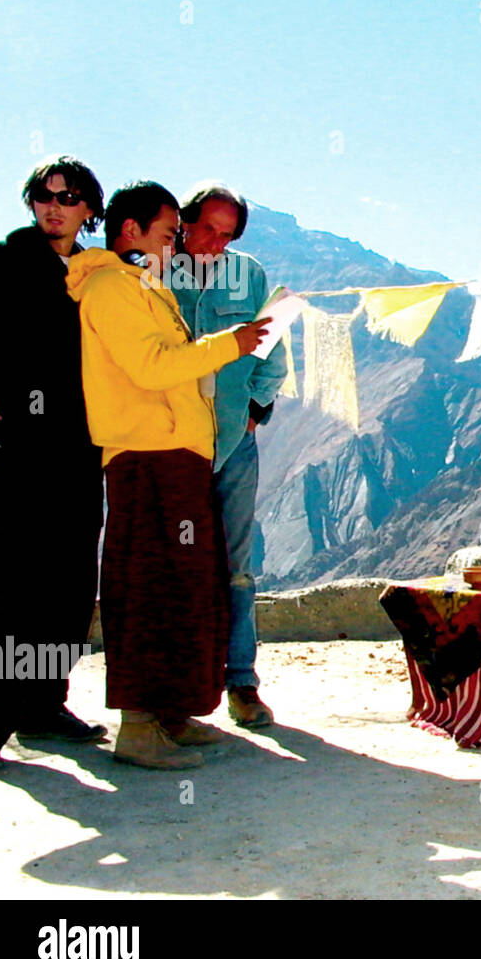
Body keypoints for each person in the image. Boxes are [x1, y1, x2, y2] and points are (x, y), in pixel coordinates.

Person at [65, 181, 270, 769]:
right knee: (148, 584)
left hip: (177, 452)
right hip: (143, 454)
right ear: (130, 231)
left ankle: (170, 713)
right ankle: (136, 724)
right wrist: (226, 346)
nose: (176, 242)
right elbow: (152, 367)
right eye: (167, 232)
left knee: (184, 586)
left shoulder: (143, 289)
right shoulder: (109, 287)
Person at [0, 156, 108, 769]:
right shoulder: (2, 262)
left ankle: (44, 706)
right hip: (18, 451)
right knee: (13, 582)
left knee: (67, 581)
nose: (53, 205)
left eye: (69, 195)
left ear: (89, 207)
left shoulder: (99, 273)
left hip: (81, 446)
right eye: (43, 194)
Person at [173, 182, 287, 728]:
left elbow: (272, 349)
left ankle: (241, 681)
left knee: (237, 566)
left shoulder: (251, 275)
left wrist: (252, 411)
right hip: (172, 443)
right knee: (177, 564)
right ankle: (179, 689)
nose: (213, 244)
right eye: (206, 230)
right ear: (183, 223)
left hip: (233, 442)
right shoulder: (155, 275)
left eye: (226, 234)